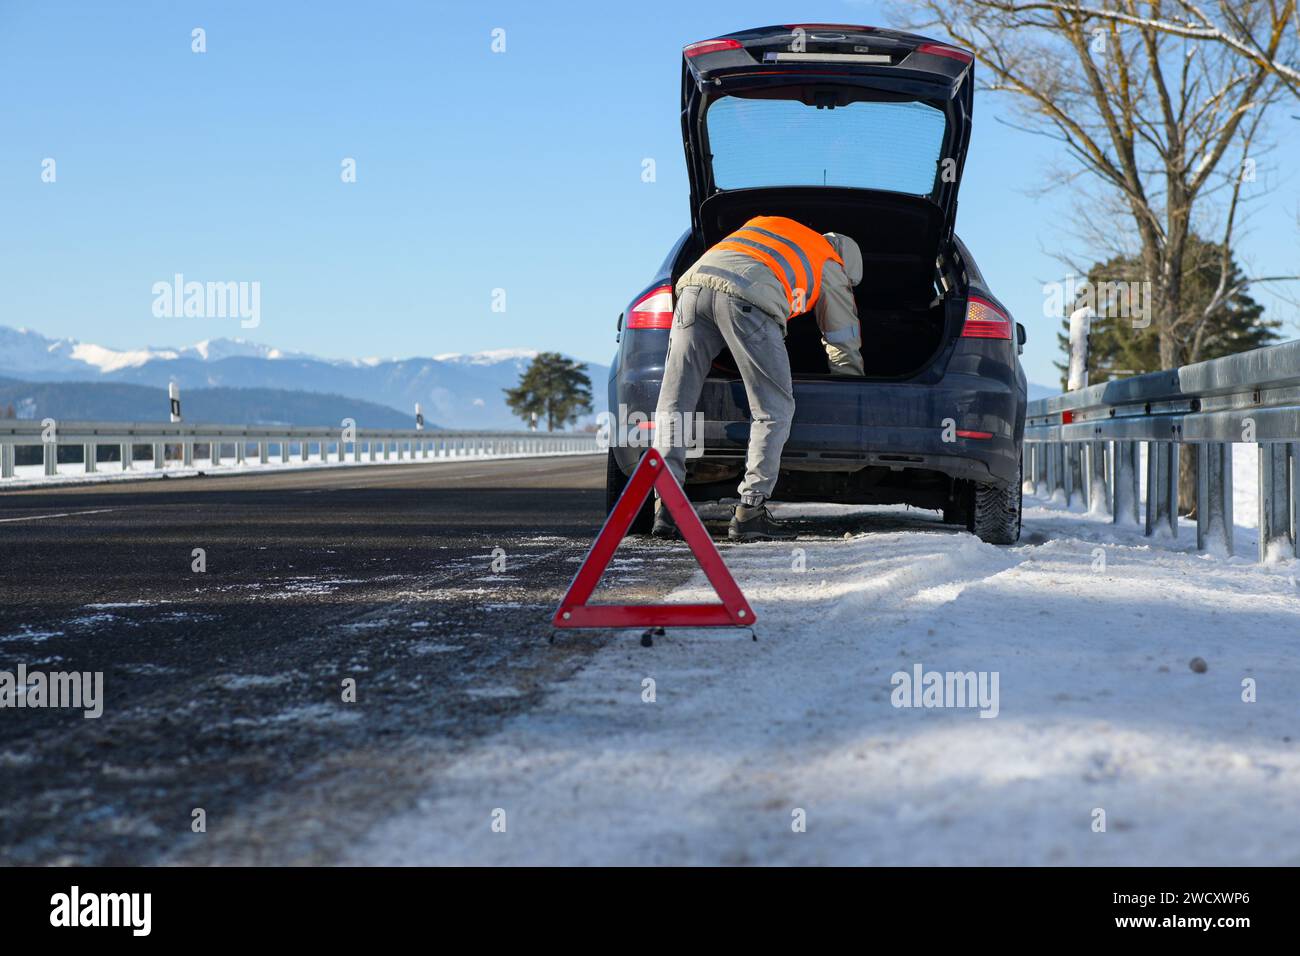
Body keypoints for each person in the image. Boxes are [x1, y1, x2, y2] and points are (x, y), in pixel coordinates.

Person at [651, 215, 864, 541]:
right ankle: (751, 510)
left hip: (693, 288)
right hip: (747, 300)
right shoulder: (829, 261)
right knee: (773, 407)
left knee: (675, 400)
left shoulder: (773, 228)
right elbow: (842, 337)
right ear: (846, 263)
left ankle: (667, 506)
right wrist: (853, 390)